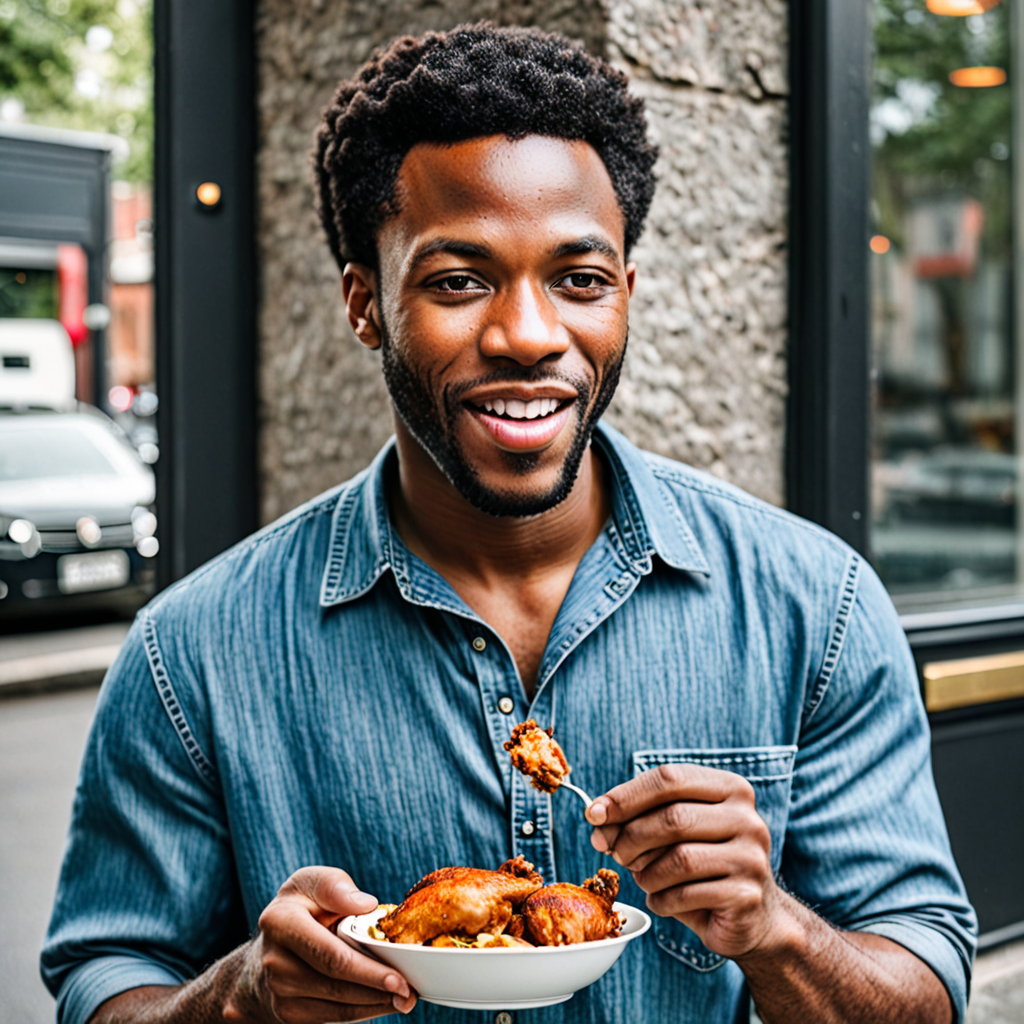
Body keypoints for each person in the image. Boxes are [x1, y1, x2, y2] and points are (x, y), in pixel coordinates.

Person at [42, 22, 975, 1024]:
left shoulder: (814, 606)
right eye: (458, 280)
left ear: (624, 294)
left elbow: (923, 986)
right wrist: (235, 999)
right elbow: (107, 980)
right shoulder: (195, 654)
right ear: (365, 304)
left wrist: (776, 931)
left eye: (577, 280)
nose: (529, 336)